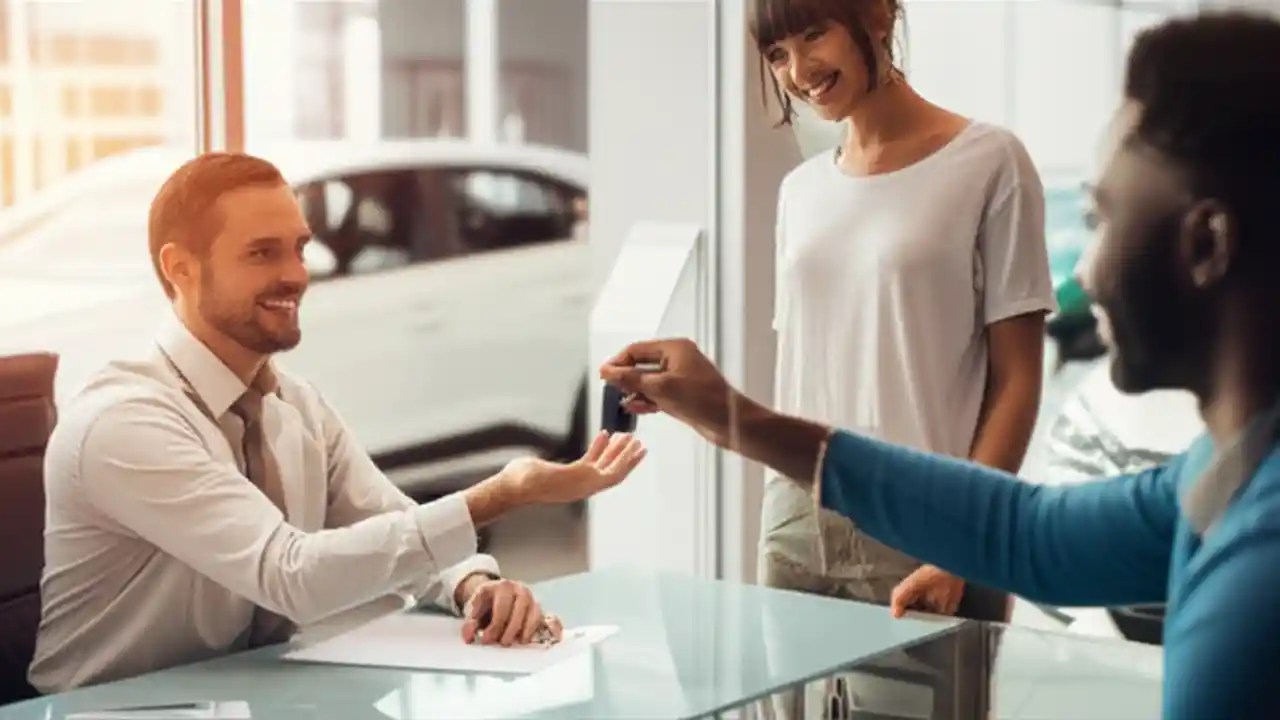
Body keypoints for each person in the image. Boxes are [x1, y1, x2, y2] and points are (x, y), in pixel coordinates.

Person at [601, 11, 1280, 718]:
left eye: (1102, 217)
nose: (1085, 276)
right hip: (816, 516)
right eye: (777, 52)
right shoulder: (1209, 482)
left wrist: (951, 553)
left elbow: (1016, 438)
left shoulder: (1258, 571)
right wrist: (727, 414)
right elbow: (1027, 534)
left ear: (1207, 243)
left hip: (924, 523)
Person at [29, 152, 646, 694]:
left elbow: (395, 525)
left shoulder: (293, 405)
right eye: (262, 252)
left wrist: (474, 584)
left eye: (299, 247)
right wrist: (500, 495)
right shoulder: (125, 422)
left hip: (243, 698)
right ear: (180, 268)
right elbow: (288, 575)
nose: (297, 274)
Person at [752, 0, 1054, 623]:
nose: (799, 69)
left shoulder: (991, 161)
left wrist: (963, 546)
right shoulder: (800, 191)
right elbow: (805, 371)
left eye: (814, 35)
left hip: (929, 525)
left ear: (878, 16)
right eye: (777, 53)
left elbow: (1018, 379)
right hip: (794, 520)